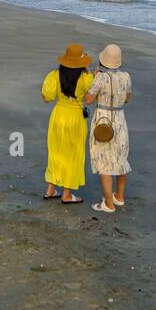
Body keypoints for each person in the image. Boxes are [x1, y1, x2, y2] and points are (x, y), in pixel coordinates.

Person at [41, 43, 93, 204]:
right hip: (75, 117)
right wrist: (89, 71)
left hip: (58, 115)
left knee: (55, 151)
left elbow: (46, 97)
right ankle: (67, 194)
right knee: (73, 154)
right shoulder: (86, 78)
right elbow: (89, 99)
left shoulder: (54, 75)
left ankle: (50, 189)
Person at [85, 44, 131, 213]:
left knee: (103, 159)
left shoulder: (100, 78)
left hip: (103, 118)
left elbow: (88, 99)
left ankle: (108, 204)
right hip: (119, 119)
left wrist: (93, 78)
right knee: (120, 158)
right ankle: (119, 197)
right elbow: (127, 98)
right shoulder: (126, 76)